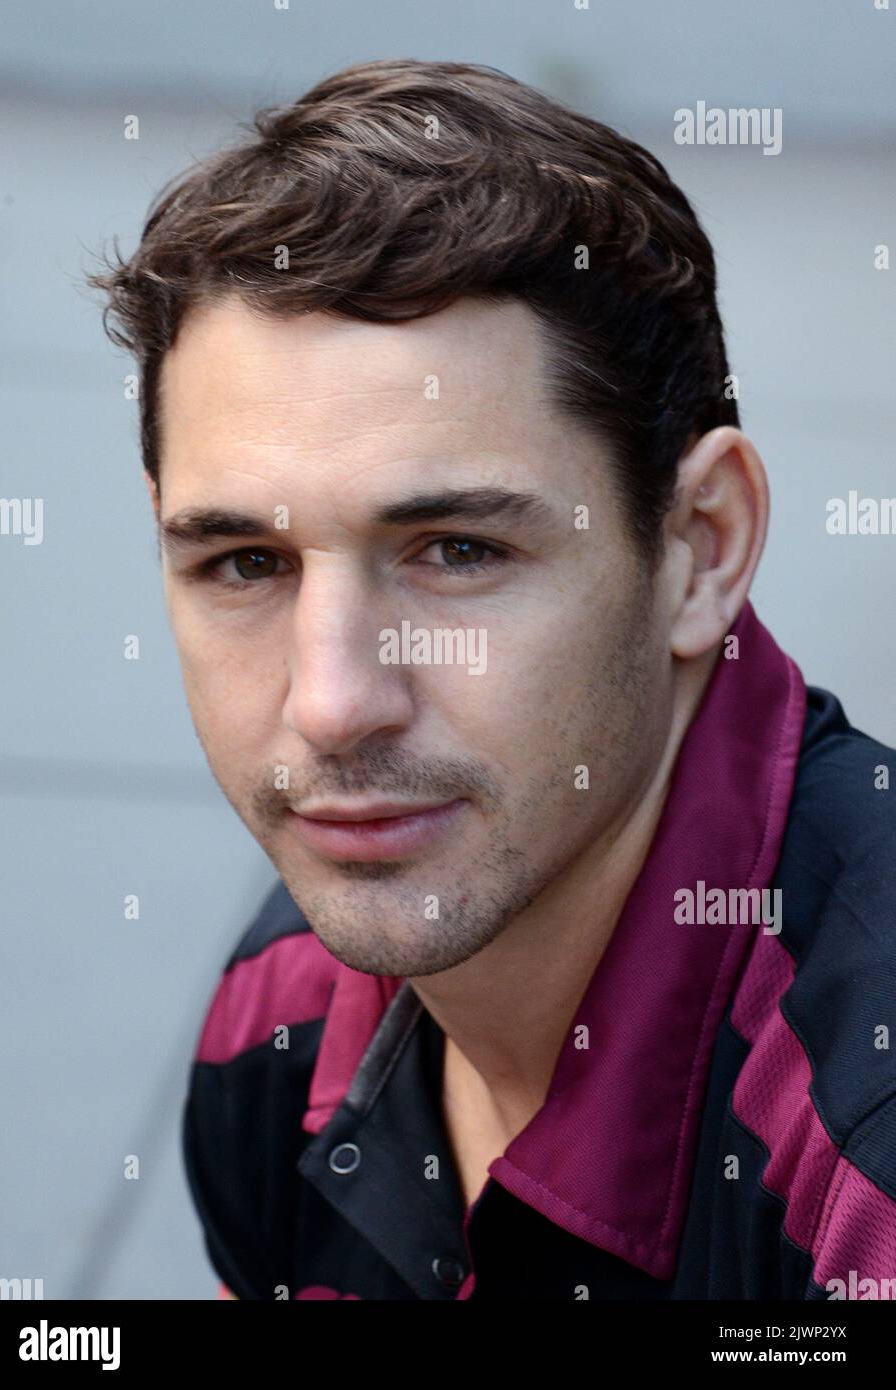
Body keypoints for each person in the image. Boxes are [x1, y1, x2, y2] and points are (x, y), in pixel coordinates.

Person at [89, 58, 896, 1301]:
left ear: (701, 549)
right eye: (245, 560)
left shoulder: (863, 1168)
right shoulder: (280, 1024)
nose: (332, 702)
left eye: (459, 551)